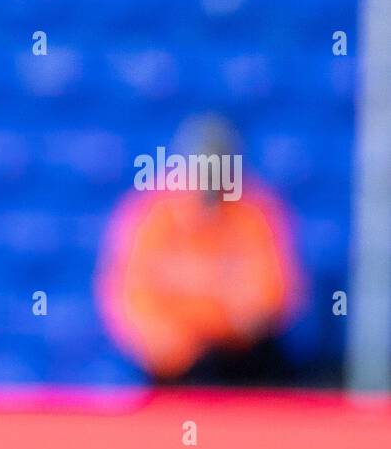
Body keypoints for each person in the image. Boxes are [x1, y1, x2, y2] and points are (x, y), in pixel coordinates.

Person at [96, 115, 302, 385]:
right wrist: (181, 341)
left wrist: (212, 324)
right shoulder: (151, 214)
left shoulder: (257, 212)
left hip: (242, 358)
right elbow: (132, 300)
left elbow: (266, 301)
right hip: (177, 366)